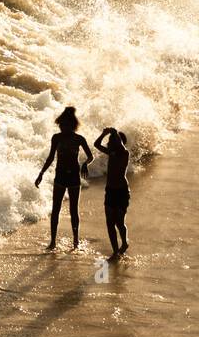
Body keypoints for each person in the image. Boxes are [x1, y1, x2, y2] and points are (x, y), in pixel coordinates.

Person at [35, 106, 93, 250]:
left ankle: (75, 241)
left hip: (74, 177)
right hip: (60, 176)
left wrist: (85, 164)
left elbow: (90, 156)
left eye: (64, 125)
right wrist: (41, 174)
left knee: (74, 210)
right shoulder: (57, 137)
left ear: (71, 125)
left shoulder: (79, 139)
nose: (62, 127)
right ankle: (53, 241)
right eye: (60, 125)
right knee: (55, 209)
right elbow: (50, 157)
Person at [94, 127, 130, 258]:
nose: (110, 142)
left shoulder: (124, 153)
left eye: (113, 140)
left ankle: (124, 243)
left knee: (119, 222)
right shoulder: (110, 152)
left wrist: (114, 132)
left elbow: (119, 145)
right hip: (110, 191)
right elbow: (96, 144)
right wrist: (104, 134)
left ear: (119, 142)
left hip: (121, 192)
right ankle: (115, 251)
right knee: (110, 222)